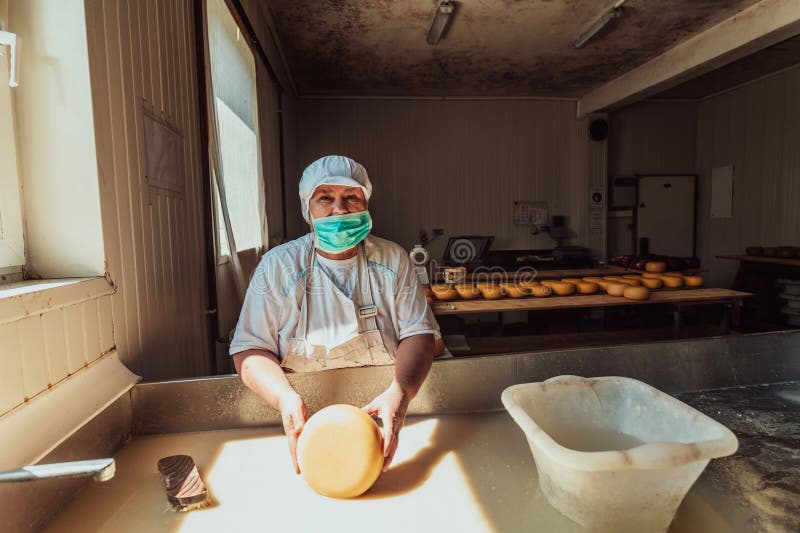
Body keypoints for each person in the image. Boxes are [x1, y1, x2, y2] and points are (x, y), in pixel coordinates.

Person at [230, 155, 441, 474]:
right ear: (308, 208)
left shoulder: (392, 260)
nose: (339, 209)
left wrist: (400, 395)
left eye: (351, 197)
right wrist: (286, 400)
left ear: (366, 204)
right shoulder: (278, 267)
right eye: (325, 198)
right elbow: (249, 349)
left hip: (387, 416)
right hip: (304, 426)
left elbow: (419, 335)